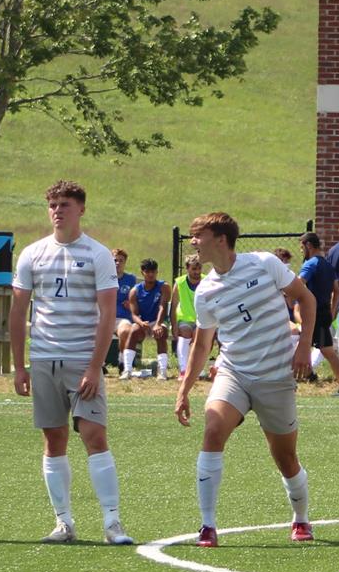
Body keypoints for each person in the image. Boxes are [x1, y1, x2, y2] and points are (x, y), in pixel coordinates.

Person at [174, 212, 318, 547]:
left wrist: (304, 348)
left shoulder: (264, 264)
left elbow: (307, 299)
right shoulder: (205, 290)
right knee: (212, 430)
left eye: (199, 236)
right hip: (234, 373)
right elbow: (202, 344)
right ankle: (207, 525)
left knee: (285, 458)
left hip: (275, 376)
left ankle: (300, 518)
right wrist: (183, 390)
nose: (194, 242)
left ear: (221, 239)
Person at [9, 180, 133, 545]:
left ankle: (113, 523)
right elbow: (18, 312)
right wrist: (20, 366)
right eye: (53, 205)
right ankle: (64, 523)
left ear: (81, 209)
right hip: (44, 357)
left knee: (94, 436)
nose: (58, 210)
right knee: (54, 438)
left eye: (65, 204)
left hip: (82, 359)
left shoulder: (96, 254)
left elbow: (108, 312)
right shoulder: (32, 254)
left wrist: (95, 366)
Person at [297, 231, 339, 396]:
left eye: (302, 247)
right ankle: (309, 375)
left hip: (313, 313)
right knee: (311, 345)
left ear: (308, 245)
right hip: (324, 312)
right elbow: (337, 290)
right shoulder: (328, 265)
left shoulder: (310, 264)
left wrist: (294, 300)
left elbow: (299, 284)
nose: (301, 251)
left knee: (326, 350)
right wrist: (332, 310)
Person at [127, 259, 172, 379]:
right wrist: (141, 323)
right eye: (148, 271)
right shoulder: (134, 291)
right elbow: (134, 315)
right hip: (144, 322)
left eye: (153, 271)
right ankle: (127, 370)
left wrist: (158, 324)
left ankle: (162, 371)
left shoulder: (164, 287)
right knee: (133, 331)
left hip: (159, 320)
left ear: (157, 272)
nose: (151, 274)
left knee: (161, 333)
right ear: (142, 273)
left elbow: (163, 306)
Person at [171, 254, 210, 392]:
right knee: (185, 332)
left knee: (201, 337)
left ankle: (198, 369)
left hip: (203, 319)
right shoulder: (180, 283)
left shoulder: (207, 281)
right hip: (185, 319)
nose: (197, 272)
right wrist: (174, 325)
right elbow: (174, 305)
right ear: (187, 268)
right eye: (194, 268)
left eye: (199, 268)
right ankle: (183, 370)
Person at [109, 247, 138, 377]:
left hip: (122, 317)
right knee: (89, 330)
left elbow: (137, 298)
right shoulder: (104, 277)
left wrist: (131, 303)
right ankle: (99, 365)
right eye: (115, 260)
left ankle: (122, 362)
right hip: (104, 316)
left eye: (121, 260)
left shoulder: (130, 279)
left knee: (126, 331)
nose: (117, 263)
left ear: (125, 262)